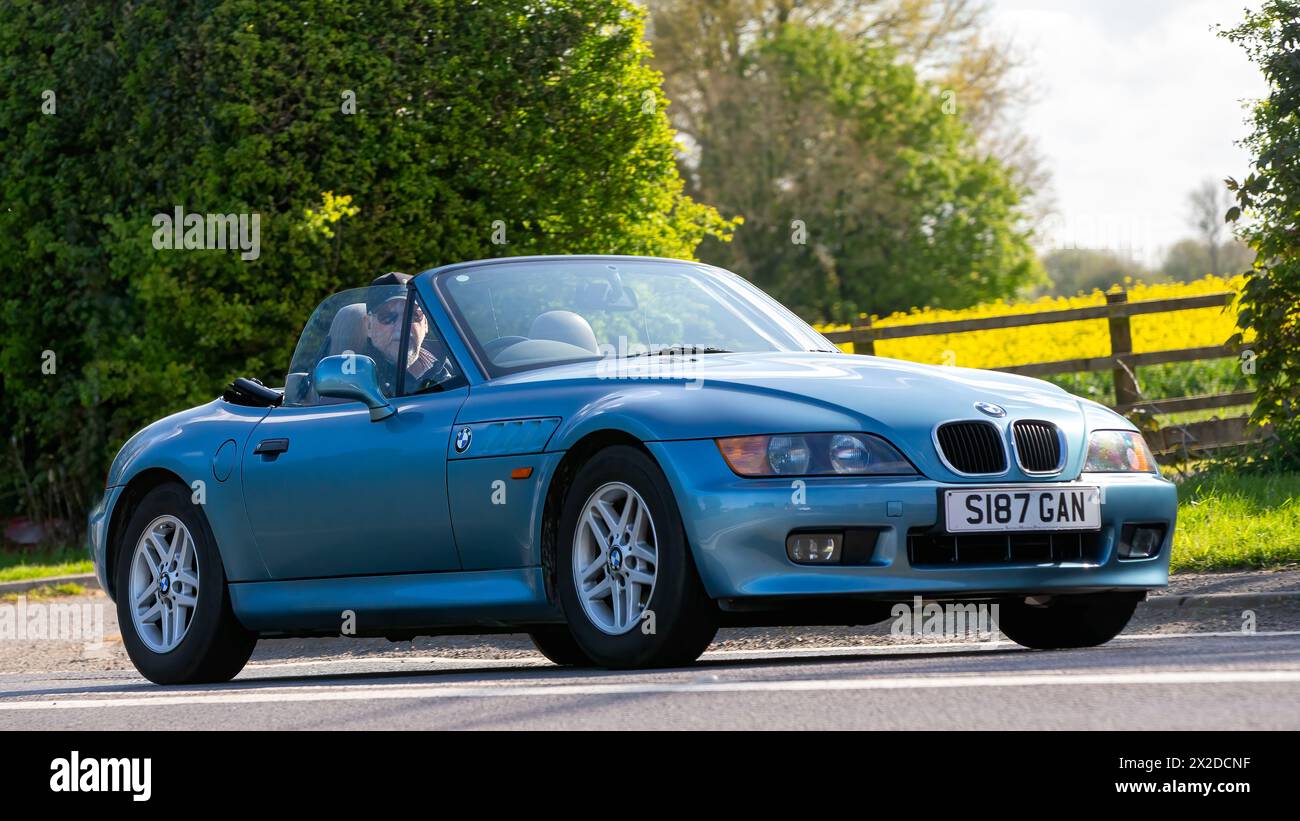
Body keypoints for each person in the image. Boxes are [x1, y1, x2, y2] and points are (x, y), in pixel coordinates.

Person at [360, 272, 446, 396]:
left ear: (426, 323)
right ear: (368, 325)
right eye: (388, 317)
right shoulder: (356, 381)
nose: (401, 328)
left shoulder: (454, 362)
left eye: (412, 315)